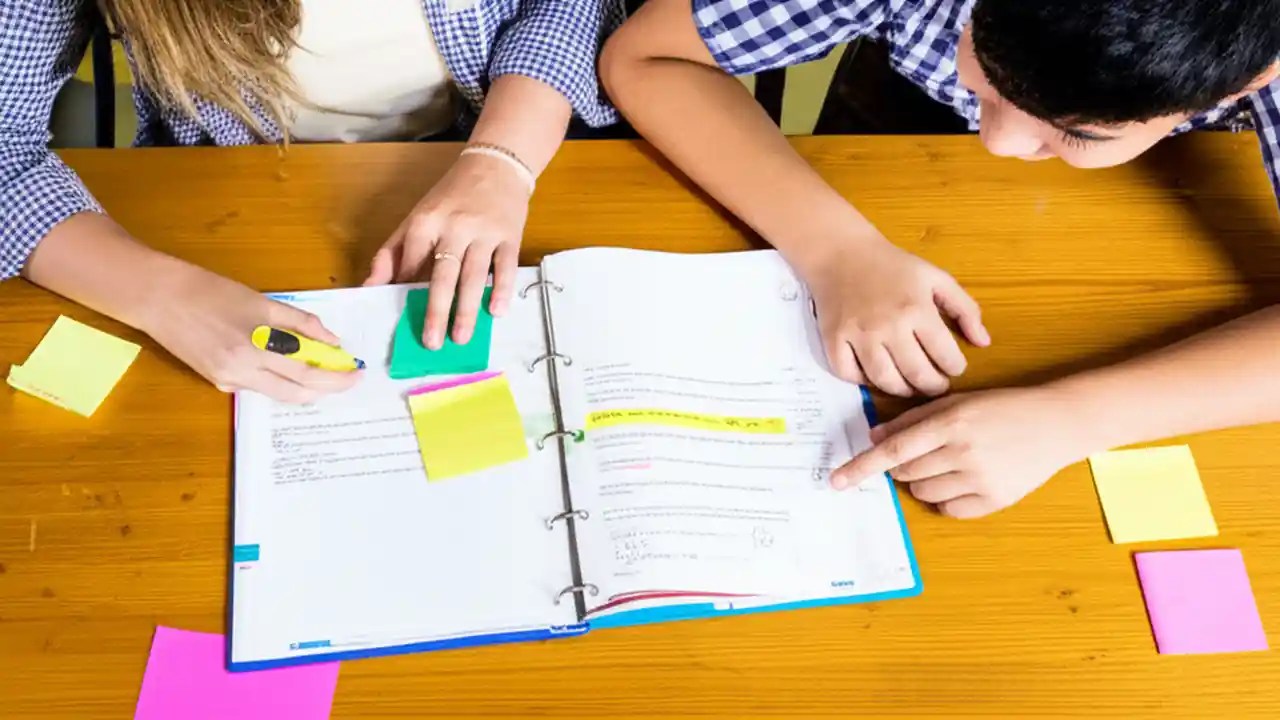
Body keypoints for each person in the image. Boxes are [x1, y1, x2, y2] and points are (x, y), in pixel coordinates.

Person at [600, 0, 1280, 517]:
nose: (999, 140)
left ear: (1250, 80)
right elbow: (649, 56)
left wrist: (1077, 418)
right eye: (983, 72)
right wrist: (838, 248)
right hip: (894, 139)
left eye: (1077, 133)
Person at [2, 0, 621, 403]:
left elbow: (568, 6)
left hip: (502, 131)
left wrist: (501, 160)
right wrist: (167, 297)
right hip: (234, 185)